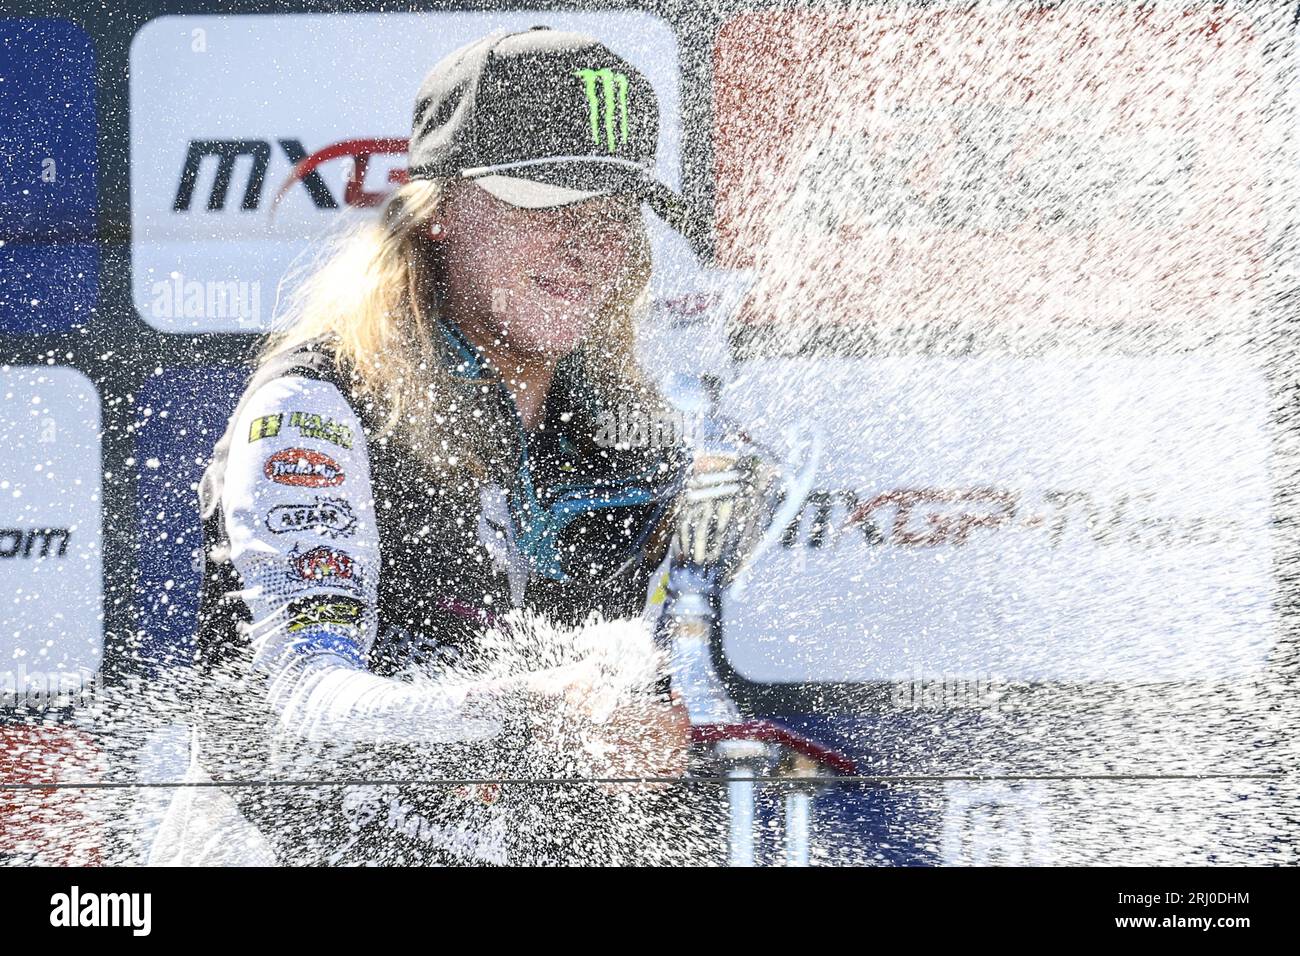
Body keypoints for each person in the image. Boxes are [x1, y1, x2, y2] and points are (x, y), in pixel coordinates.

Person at [151, 25, 717, 866]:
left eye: (613, 212)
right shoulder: (317, 407)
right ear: (440, 209)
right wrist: (531, 708)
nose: (587, 246)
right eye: (546, 204)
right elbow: (300, 704)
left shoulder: (623, 444)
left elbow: (604, 731)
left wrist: (642, 740)